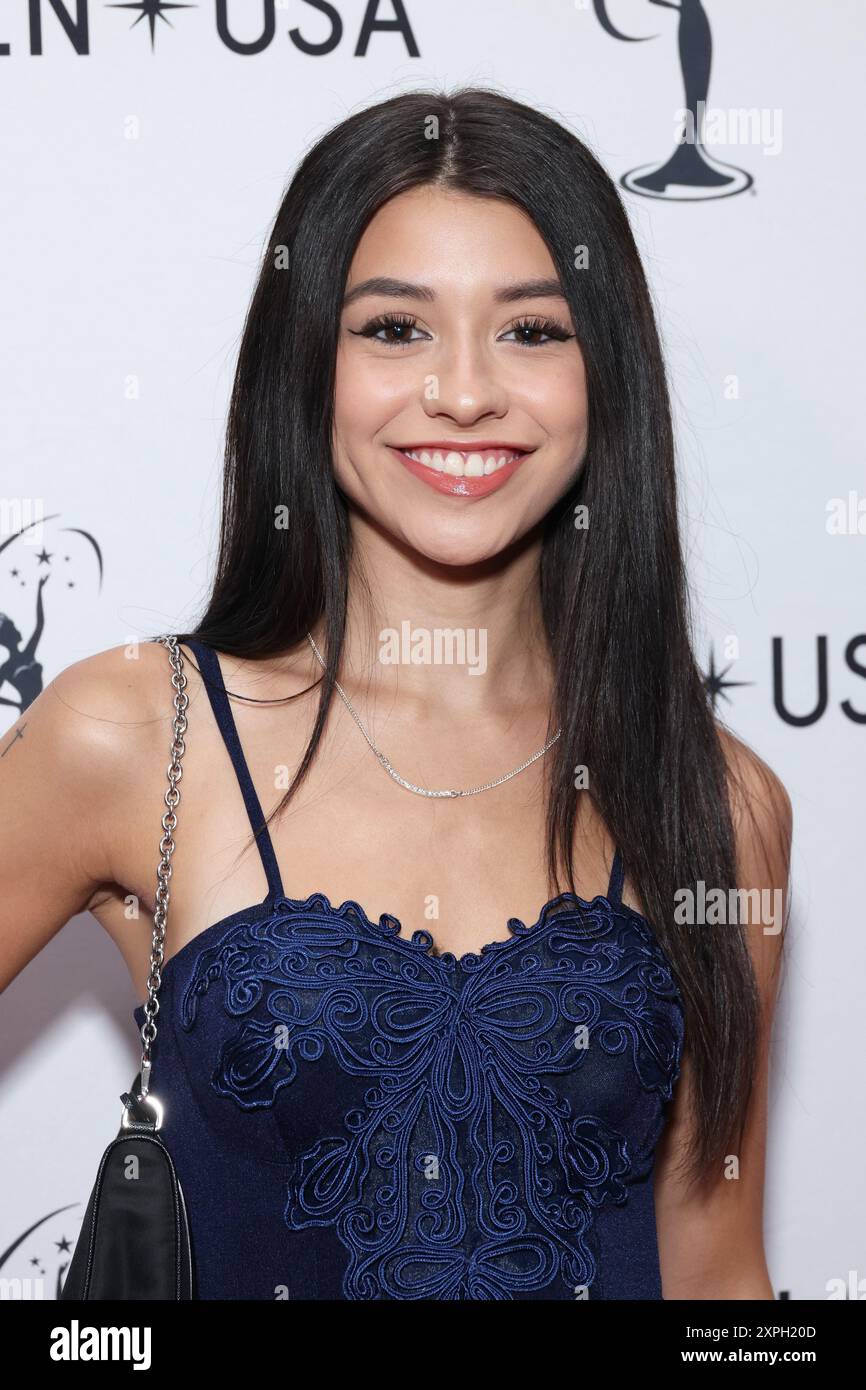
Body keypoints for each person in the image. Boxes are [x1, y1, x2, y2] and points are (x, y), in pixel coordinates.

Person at [0, 87, 792, 1300]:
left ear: (607, 371)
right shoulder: (136, 733)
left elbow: (716, 1276)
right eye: (393, 330)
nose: (464, 392)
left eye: (532, 331)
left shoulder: (717, 799)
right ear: (303, 359)